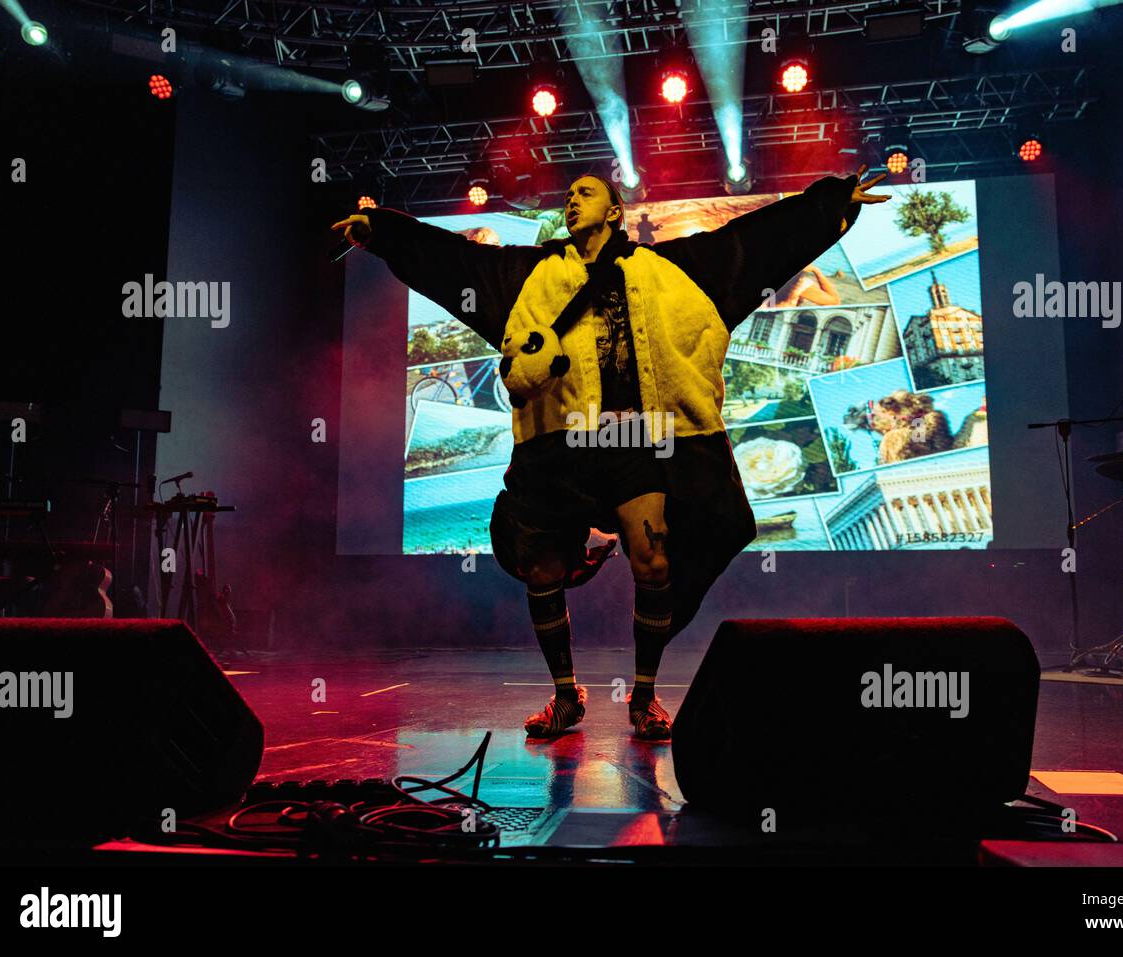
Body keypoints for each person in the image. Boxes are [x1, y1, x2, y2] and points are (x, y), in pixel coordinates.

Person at [332, 166, 888, 740]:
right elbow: (451, 262)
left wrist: (829, 203)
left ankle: (643, 697)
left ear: (615, 211)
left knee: (654, 564)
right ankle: (565, 696)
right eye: (568, 194)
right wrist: (381, 230)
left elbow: (755, 244)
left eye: (586, 193)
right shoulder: (528, 275)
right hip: (558, 445)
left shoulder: (670, 270)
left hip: (631, 442)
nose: (572, 200)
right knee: (541, 569)